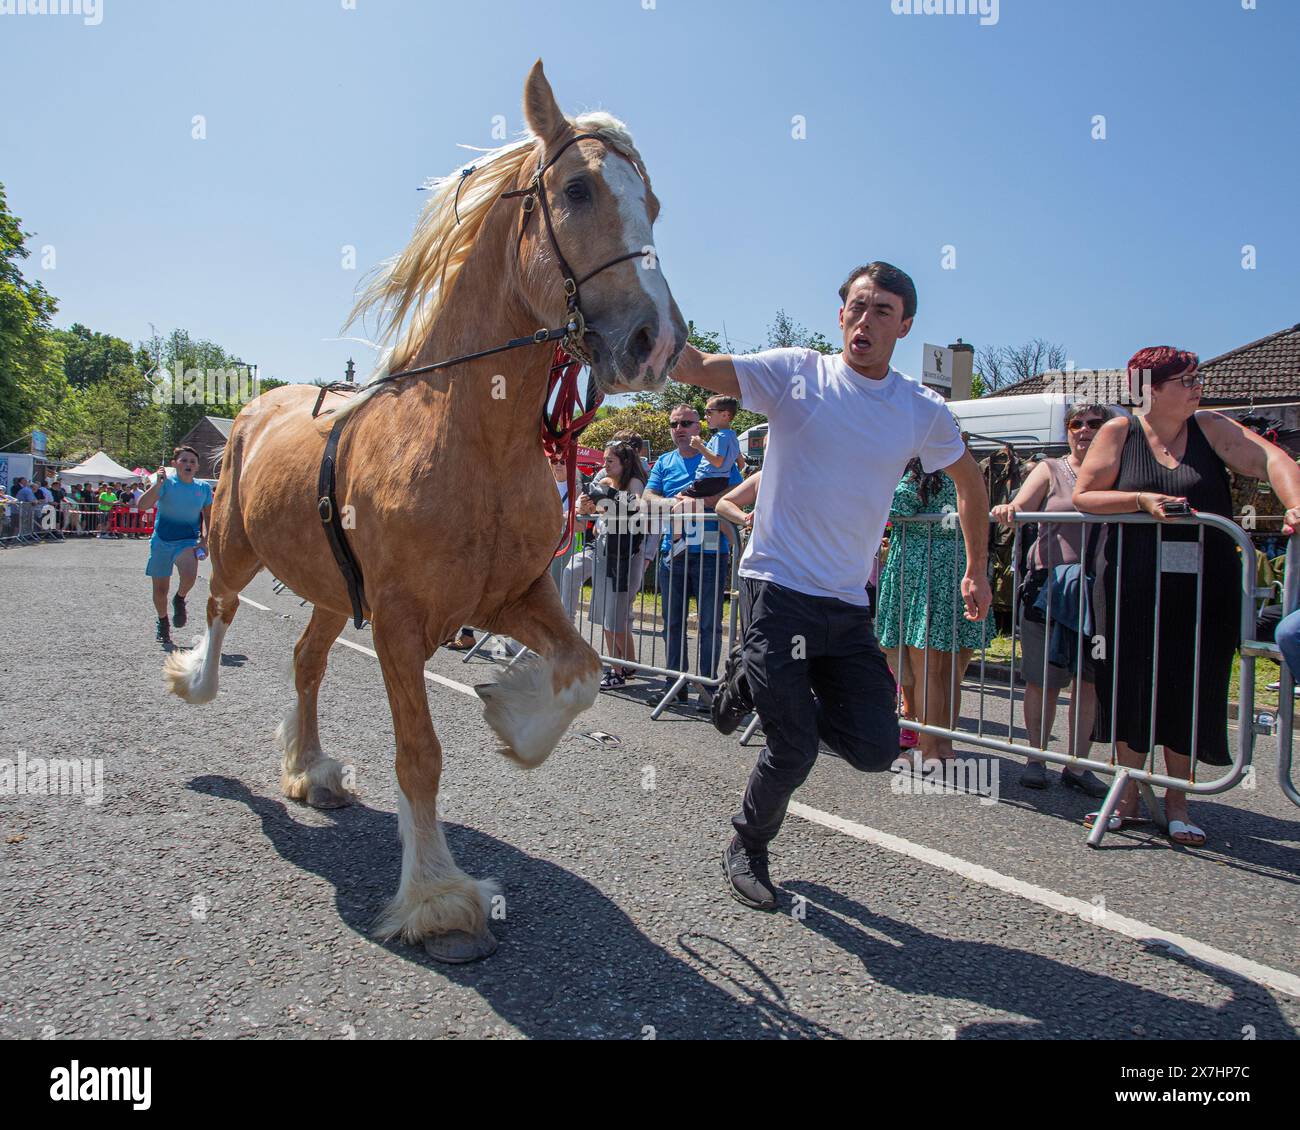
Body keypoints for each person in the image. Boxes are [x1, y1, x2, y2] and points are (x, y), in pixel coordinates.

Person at [672, 260, 992, 910]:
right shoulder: (798, 374)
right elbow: (699, 367)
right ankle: (748, 845)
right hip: (777, 589)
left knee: (877, 748)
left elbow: (971, 485)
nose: (864, 319)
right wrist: (626, 315)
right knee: (792, 748)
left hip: (847, 606)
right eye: (856, 305)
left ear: (905, 325)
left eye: (881, 310)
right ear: (840, 313)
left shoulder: (920, 409)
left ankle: (755, 685)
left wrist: (977, 566)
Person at [1074, 346, 1300, 845]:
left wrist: (1297, 504)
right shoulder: (1119, 430)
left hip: (1205, 584)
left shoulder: (1212, 426)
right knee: (1130, 683)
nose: (1198, 387)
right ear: (1150, 390)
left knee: (1191, 684)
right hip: (1132, 582)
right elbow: (1085, 495)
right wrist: (1139, 500)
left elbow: (1274, 460)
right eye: (1186, 380)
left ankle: (1178, 802)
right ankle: (1127, 797)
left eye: (1197, 378)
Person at [992, 403, 1111, 796]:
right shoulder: (1051, 469)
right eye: (1076, 423)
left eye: (1094, 423)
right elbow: (1022, 506)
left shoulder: (1117, 471)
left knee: (1088, 681)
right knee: (1042, 680)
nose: (1084, 430)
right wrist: (1011, 508)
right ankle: (1036, 758)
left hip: (1099, 590)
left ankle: (1077, 765)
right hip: (1048, 588)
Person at [876, 454, 988, 764]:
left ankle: (927, 750)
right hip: (956, 567)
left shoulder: (921, 472)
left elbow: (897, 508)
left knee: (926, 669)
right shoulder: (967, 472)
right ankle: (944, 748)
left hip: (921, 570)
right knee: (947, 671)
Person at [641, 404, 742, 708]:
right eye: (674, 424)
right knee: (672, 622)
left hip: (711, 549)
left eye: (687, 422)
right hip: (673, 551)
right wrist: (675, 503)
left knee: (710, 624)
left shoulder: (716, 458)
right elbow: (647, 496)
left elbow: (737, 490)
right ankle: (675, 685)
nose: (680, 428)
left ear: (699, 426)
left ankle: (708, 687)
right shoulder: (665, 462)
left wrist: (700, 502)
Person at [578, 441, 647, 689]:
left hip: (625, 555)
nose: (604, 465)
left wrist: (605, 495)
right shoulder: (606, 481)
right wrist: (588, 502)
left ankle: (619, 669)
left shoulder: (634, 481)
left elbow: (634, 505)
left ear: (625, 462)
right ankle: (625, 665)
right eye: (604, 460)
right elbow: (590, 510)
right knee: (605, 614)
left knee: (615, 615)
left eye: (610, 461)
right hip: (605, 550)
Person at [136, 446, 213, 645]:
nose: (188, 464)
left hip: (187, 541)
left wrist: (205, 540)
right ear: (174, 464)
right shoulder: (166, 484)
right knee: (161, 589)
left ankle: (180, 598)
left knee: (189, 574)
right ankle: (163, 622)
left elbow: (208, 516)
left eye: (192, 462)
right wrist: (157, 485)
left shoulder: (203, 488)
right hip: (162, 541)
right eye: (184, 460)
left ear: (197, 467)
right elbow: (142, 506)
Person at [683, 395, 741, 500]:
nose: (705, 416)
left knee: (679, 497)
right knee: (690, 501)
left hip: (707, 481)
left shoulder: (720, 436)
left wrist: (699, 446)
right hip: (723, 481)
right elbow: (741, 462)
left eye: (709, 412)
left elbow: (717, 462)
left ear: (725, 415)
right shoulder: (733, 437)